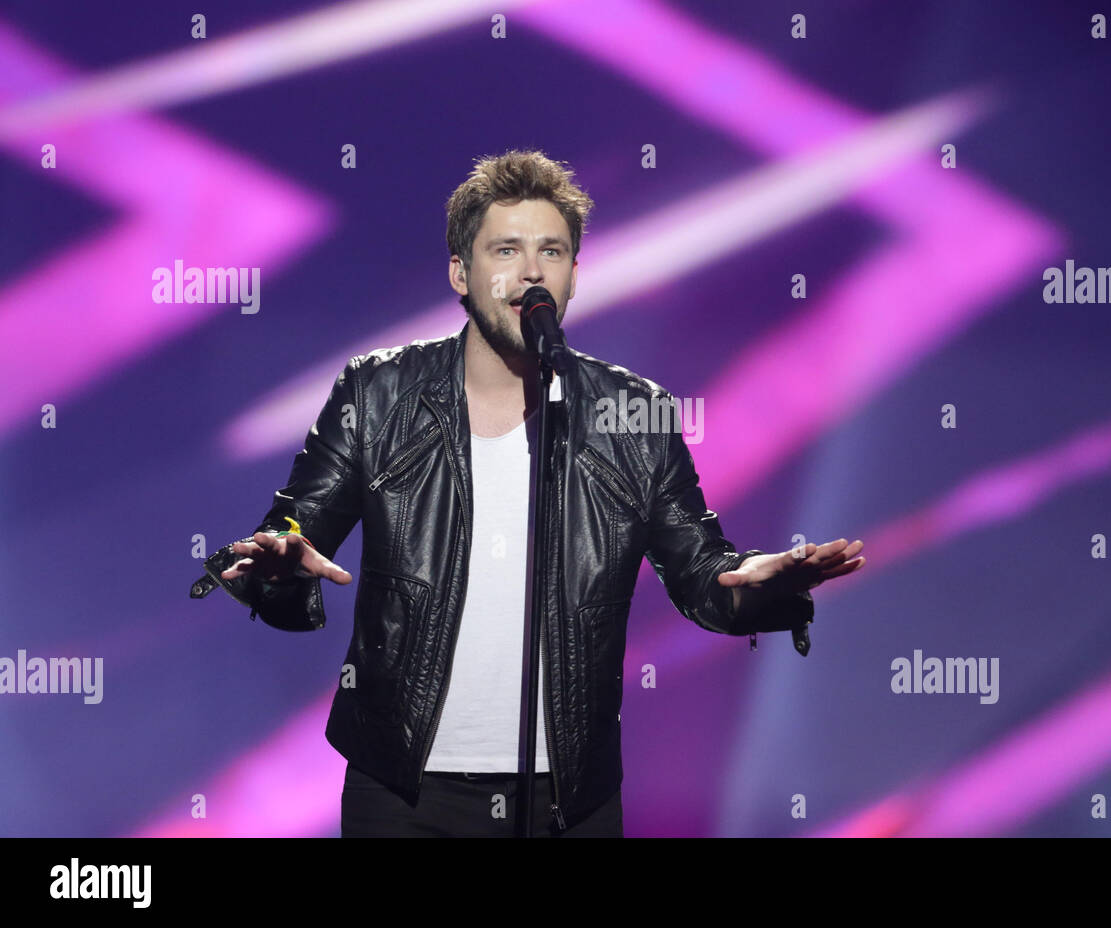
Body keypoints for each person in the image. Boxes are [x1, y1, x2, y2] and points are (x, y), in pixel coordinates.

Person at [194, 149, 865, 837]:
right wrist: (278, 562)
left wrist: (759, 582)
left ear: (574, 275)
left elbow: (701, 573)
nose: (531, 270)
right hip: (404, 793)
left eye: (552, 251)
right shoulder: (379, 393)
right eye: (506, 249)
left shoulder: (630, 414)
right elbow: (294, 530)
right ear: (461, 272)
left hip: (568, 800)